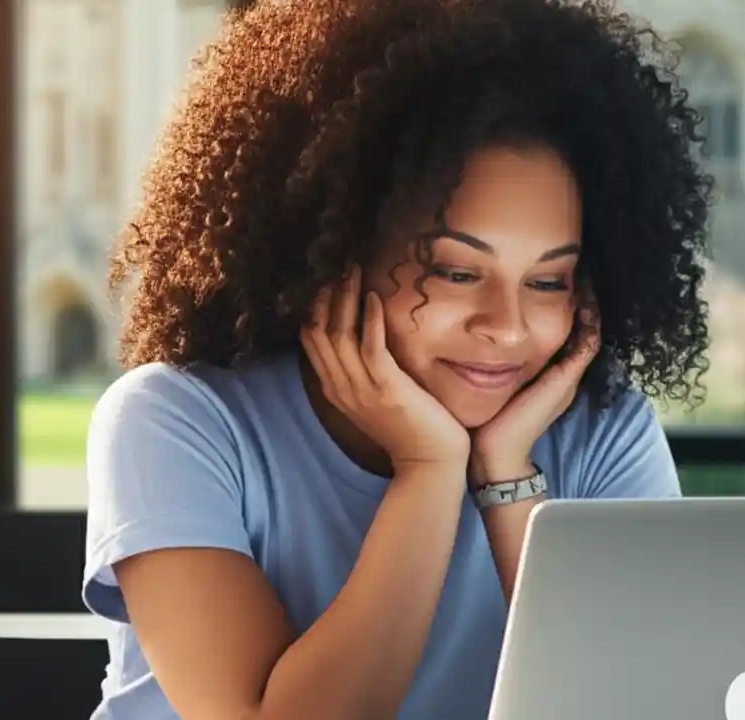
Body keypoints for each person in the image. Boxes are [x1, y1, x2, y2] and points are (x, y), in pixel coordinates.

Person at [82, 0, 713, 717]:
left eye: (547, 282)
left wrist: (508, 477)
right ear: (333, 254)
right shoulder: (174, 423)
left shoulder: (603, 434)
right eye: (455, 272)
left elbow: (640, 710)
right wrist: (431, 469)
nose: (507, 327)